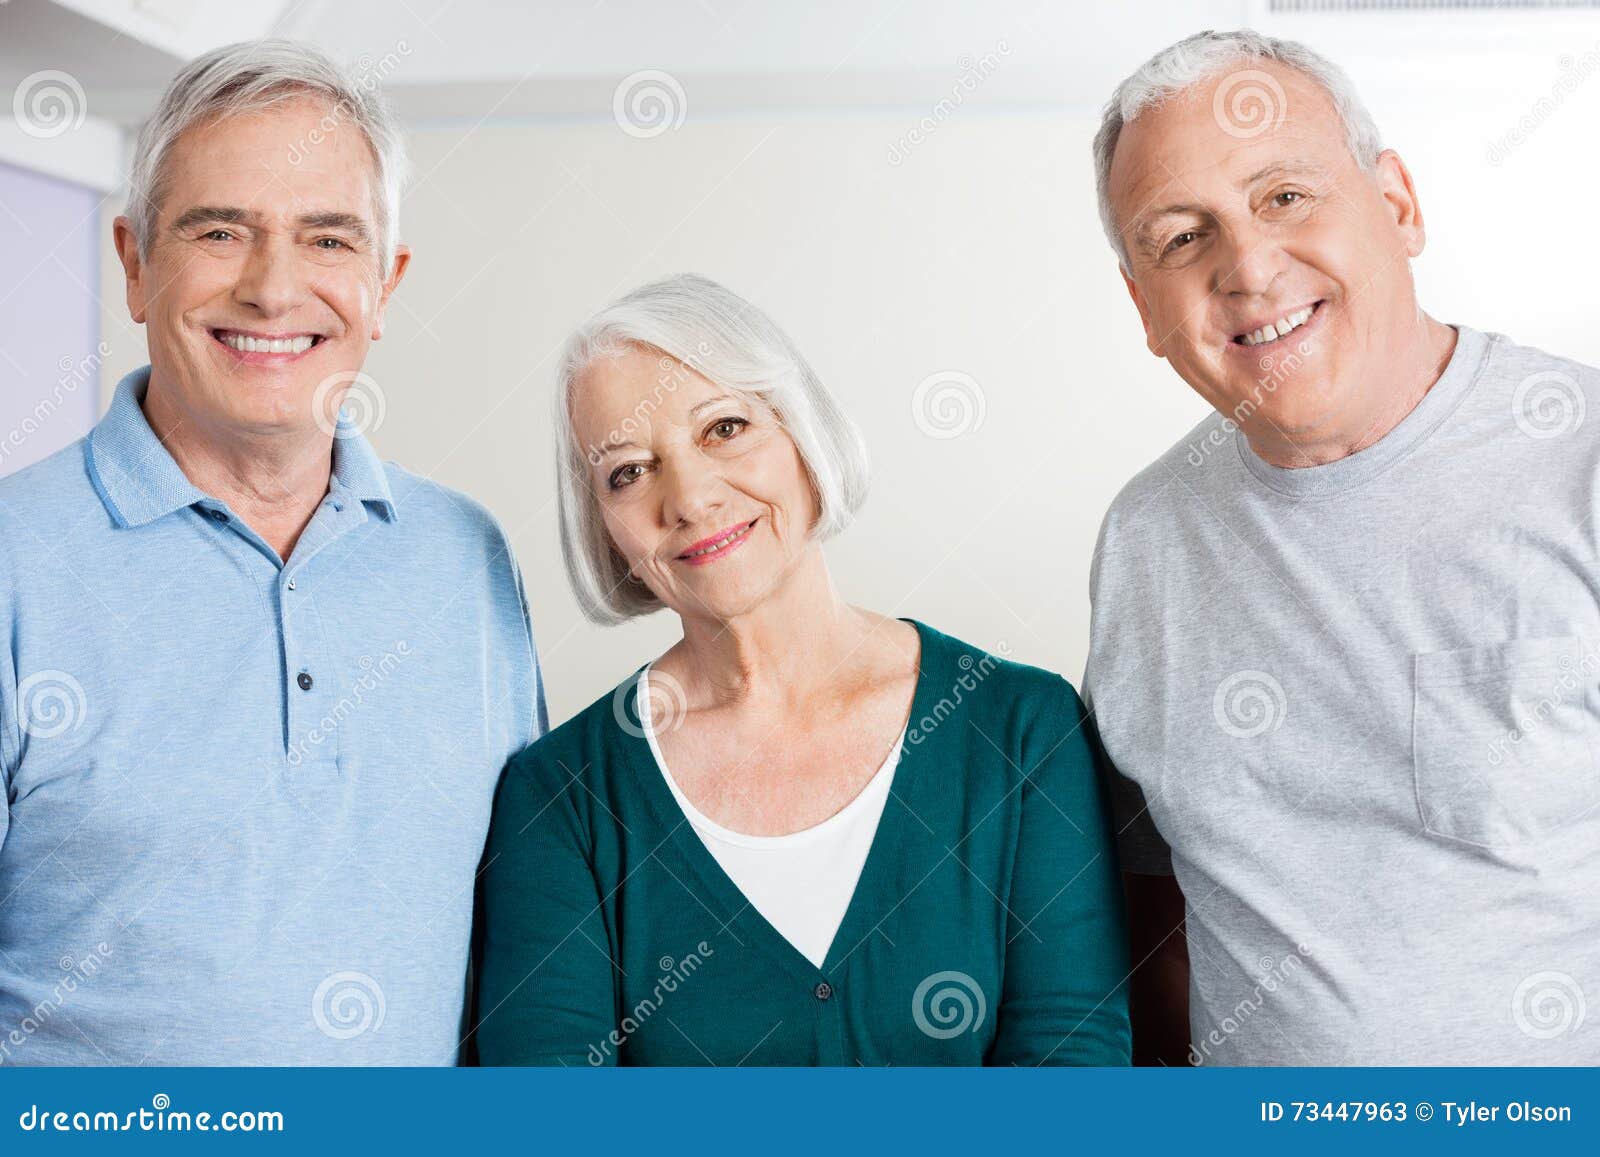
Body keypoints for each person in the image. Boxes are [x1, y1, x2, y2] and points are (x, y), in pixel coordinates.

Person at [0, 40, 545, 1065]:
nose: (272, 288)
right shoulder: (16, 562)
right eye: (220, 230)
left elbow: (514, 939)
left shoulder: (467, 559)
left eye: (328, 240)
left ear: (386, 285)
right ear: (134, 261)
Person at [1086, 29, 1599, 1065]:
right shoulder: (1145, 537)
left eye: (1283, 195)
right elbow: (1152, 903)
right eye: (1180, 237)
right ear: (1144, 309)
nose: (1247, 266)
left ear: (1397, 207)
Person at [473, 274, 1128, 1065]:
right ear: (604, 526)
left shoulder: (1022, 728)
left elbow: (1072, 1074)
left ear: (802, 434)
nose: (689, 496)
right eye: (628, 470)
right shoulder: (561, 799)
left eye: (723, 427)